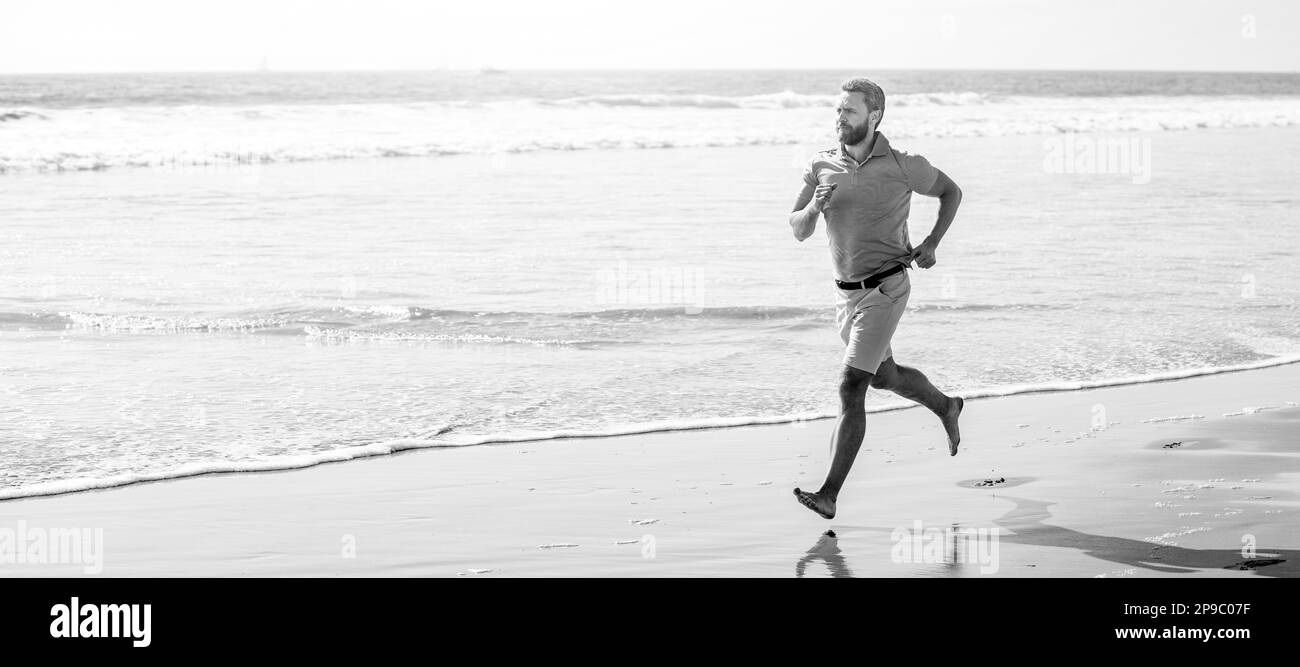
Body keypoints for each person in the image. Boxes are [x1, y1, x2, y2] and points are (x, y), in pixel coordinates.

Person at [789, 77, 965, 520]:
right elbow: (797, 228)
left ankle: (829, 494)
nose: (839, 118)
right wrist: (813, 208)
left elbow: (951, 191)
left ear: (874, 117)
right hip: (845, 296)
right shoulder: (821, 164)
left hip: (887, 287)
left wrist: (931, 243)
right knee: (883, 376)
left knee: (851, 387)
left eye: (849, 111)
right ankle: (946, 406)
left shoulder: (904, 165)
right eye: (837, 110)